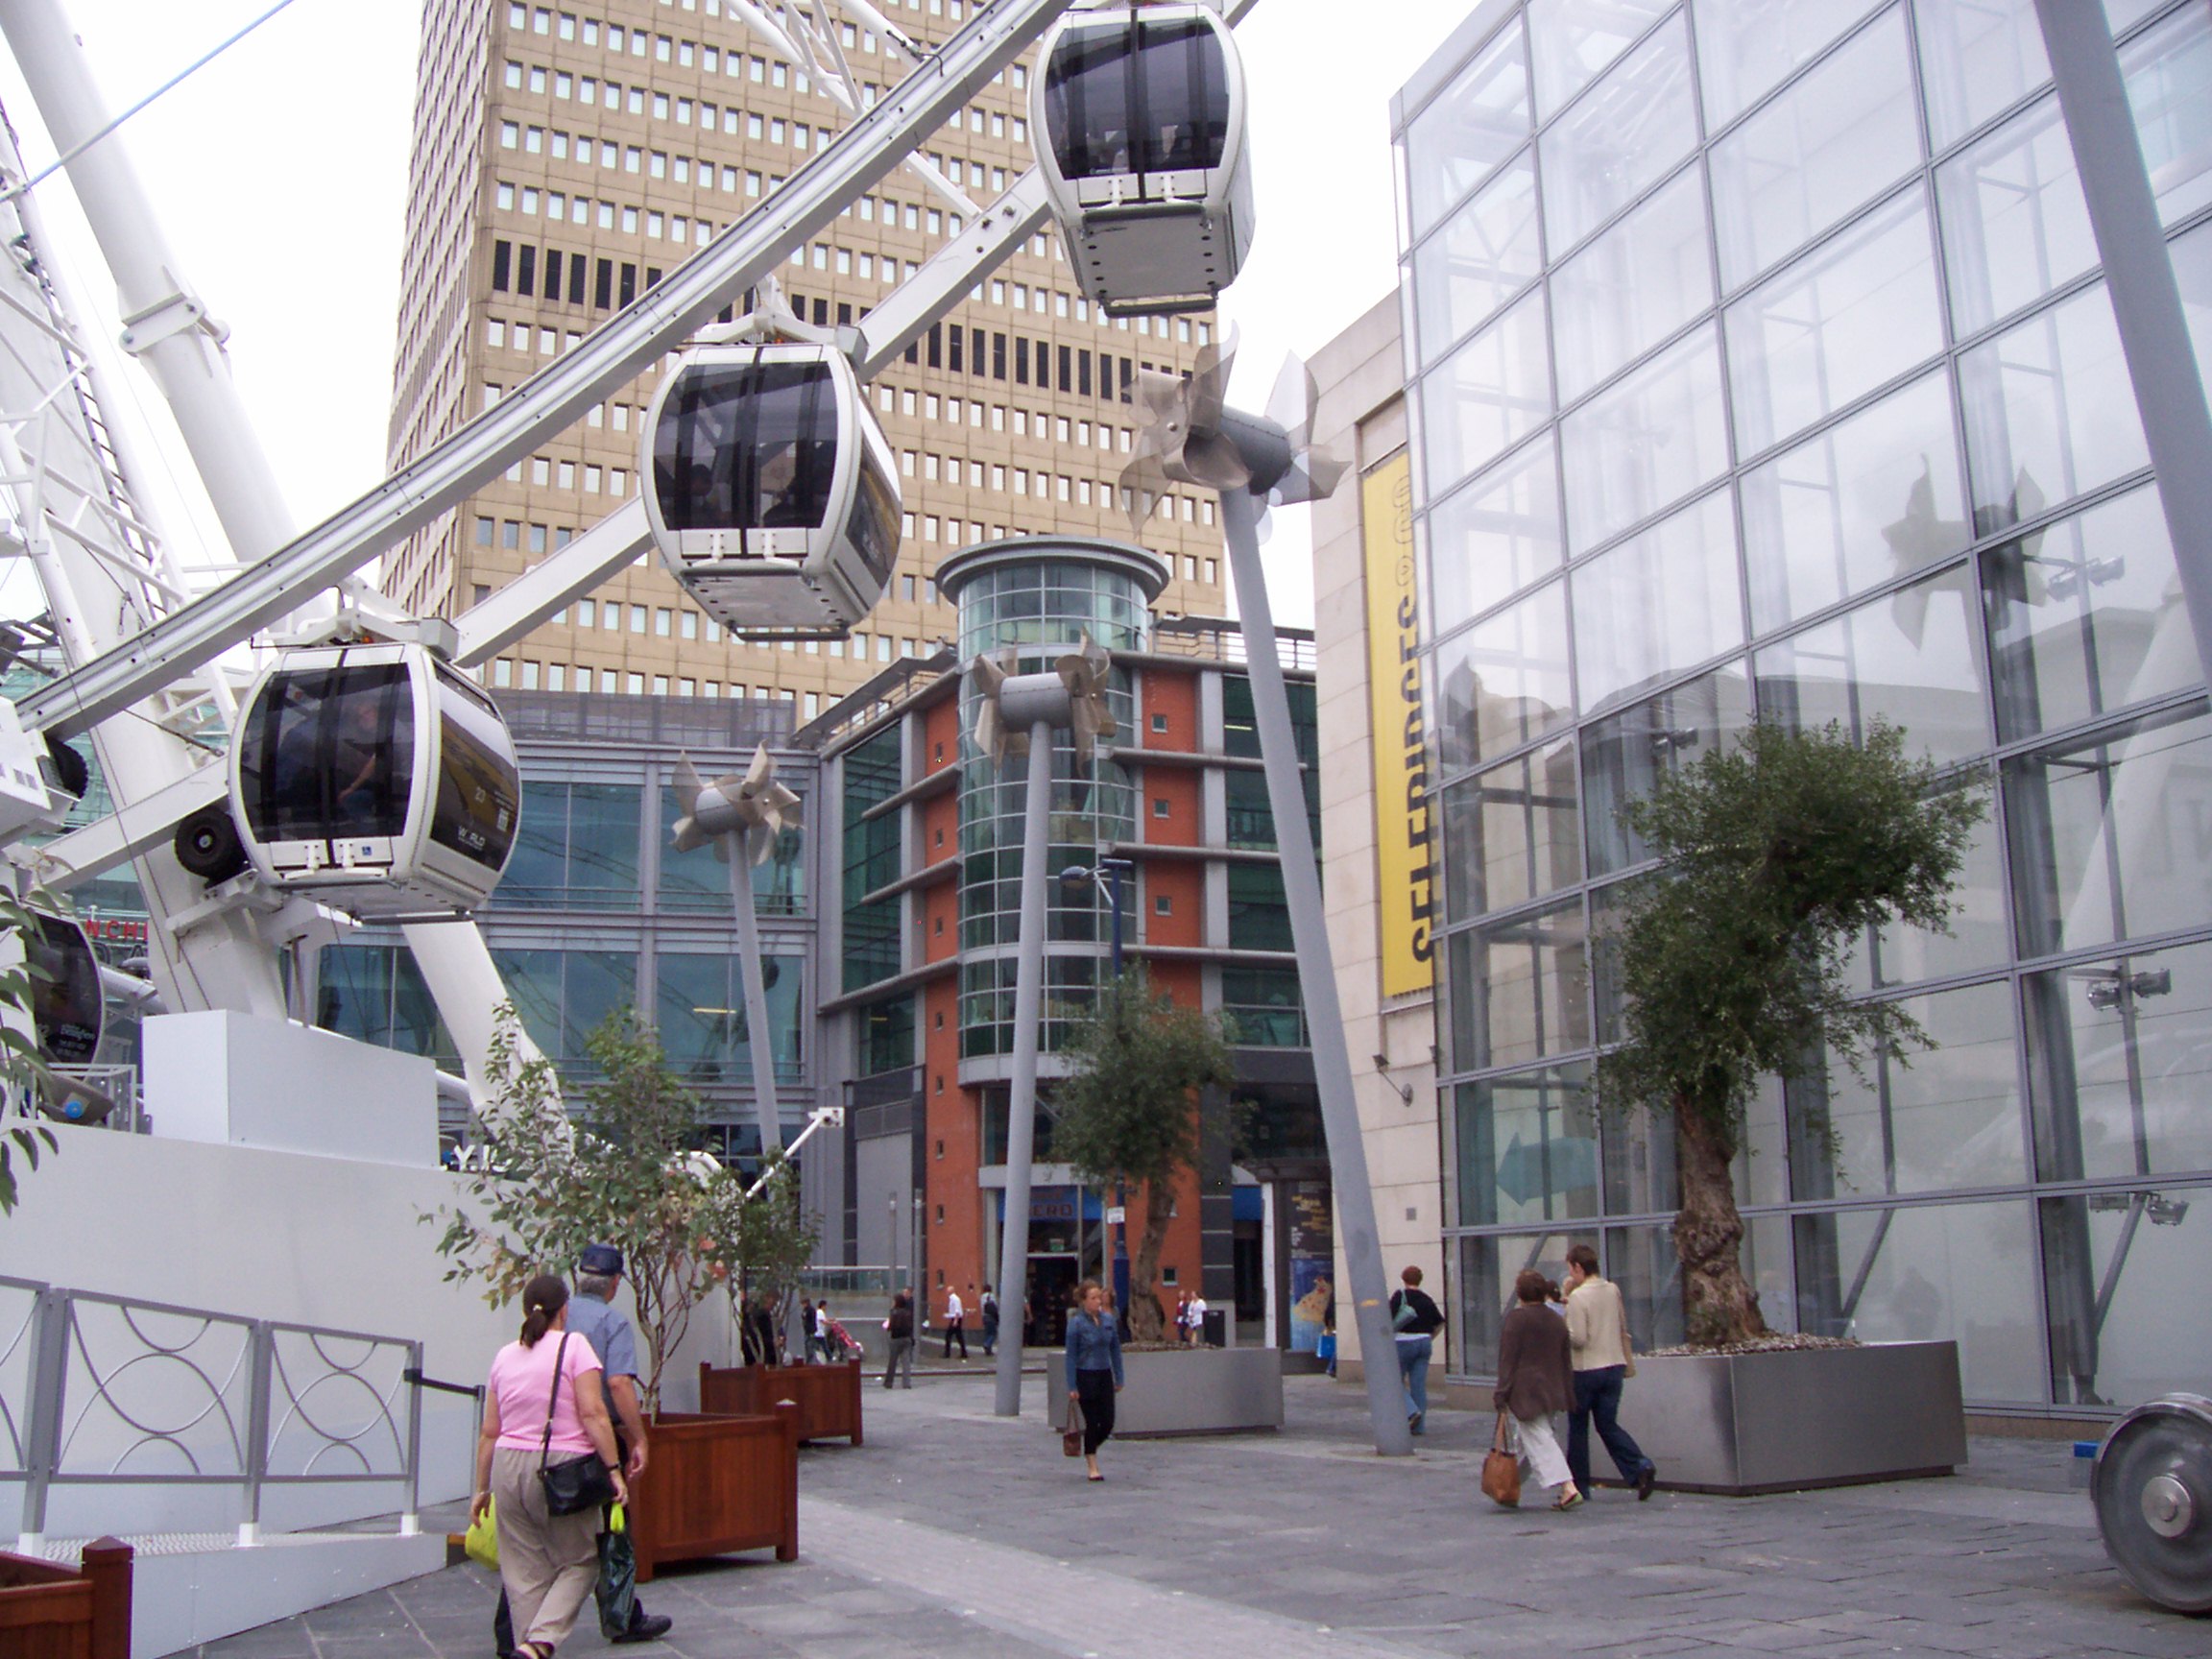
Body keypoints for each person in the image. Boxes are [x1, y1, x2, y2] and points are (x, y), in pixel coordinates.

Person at [493, 1247, 671, 1648]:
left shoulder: (532, 1331)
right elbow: (617, 1385)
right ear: (615, 1283)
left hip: (519, 1452)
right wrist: (636, 1438)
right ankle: (620, 1617)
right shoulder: (611, 1322)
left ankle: (512, 1635)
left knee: (527, 1550)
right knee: (605, 1538)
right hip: (583, 1452)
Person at [471, 1273, 629, 1659]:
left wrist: (480, 1489)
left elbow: (489, 1431)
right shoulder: (575, 1347)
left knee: (523, 1572)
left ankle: (529, 1650)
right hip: (561, 1467)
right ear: (565, 1310)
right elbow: (593, 1413)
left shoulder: (504, 1355)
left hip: (507, 1467)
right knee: (581, 1562)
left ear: (527, 1311)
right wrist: (613, 1469)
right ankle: (540, 1642)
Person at [1564, 1243, 1657, 1500]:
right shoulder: (1612, 1289)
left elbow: (1578, 1338)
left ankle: (1579, 1485)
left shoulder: (1577, 1298)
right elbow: (1621, 1324)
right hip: (1614, 1365)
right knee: (1607, 1424)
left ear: (1578, 1267)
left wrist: (1564, 1319)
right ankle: (1639, 1465)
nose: (1570, 1275)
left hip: (1586, 1369)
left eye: (1570, 1269)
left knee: (1578, 1429)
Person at [1496, 1270, 1583, 1511]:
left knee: (1539, 1438)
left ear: (1520, 1293)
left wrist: (1501, 1393)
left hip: (1526, 1390)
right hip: (1552, 1388)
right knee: (1527, 1439)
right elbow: (1565, 1360)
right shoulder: (1556, 1320)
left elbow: (1508, 1360)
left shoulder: (1516, 1319)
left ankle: (1568, 1487)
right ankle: (1510, 1486)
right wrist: (1568, 1391)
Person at [1064, 1279, 1123, 1482]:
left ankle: (1089, 1446)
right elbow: (1071, 1356)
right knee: (1092, 1421)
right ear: (1084, 1301)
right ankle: (1092, 1465)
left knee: (1107, 1422)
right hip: (1085, 1375)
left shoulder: (1108, 1320)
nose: (1098, 1301)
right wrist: (1072, 1385)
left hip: (1104, 1373)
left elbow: (1115, 1349)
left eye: (1099, 1297)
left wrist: (1119, 1376)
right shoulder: (1076, 1323)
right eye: (1093, 1298)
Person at [1389, 1265, 1447, 1434]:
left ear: (1404, 1279)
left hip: (1403, 1342)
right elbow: (1440, 1322)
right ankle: (1419, 1427)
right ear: (1419, 1280)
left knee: (1394, 1381)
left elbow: (1387, 1318)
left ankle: (1411, 1411)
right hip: (1424, 1343)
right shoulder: (1426, 1299)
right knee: (1419, 1386)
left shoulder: (1400, 1296)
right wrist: (1429, 1337)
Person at [882, 1289, 916, 1388]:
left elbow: (891, 1326)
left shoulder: (894, 1312)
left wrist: (887, 1326)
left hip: (896, 1339)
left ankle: (889, 1382)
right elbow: (910, 1326)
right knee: (906, 1362)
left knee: (892, 1362)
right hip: (907, 1339)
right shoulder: (908, 1312)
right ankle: (906, 1383)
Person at [942, 1285, 968, 1359]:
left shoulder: (955, 1299)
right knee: (959, 1336)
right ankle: (963, 1353)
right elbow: (954, 1312)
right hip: (956, 1319)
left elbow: (957, 1311)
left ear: (951, 1291)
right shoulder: (953, 1299)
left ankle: (947, 1353)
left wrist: (955, 1320)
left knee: (948, 1336)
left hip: (956, 1319)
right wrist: (947, 1315)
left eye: (948, 1291)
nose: (946, 1292)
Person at [979, 1284, 1000, 1358]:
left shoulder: (982, 1297)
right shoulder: (991, 1296)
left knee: (987, 1333)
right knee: (993, 1333)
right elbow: (995, 1307)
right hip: (991, 1317)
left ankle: (988, 1350)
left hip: (984, 1317)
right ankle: (987, 1344)